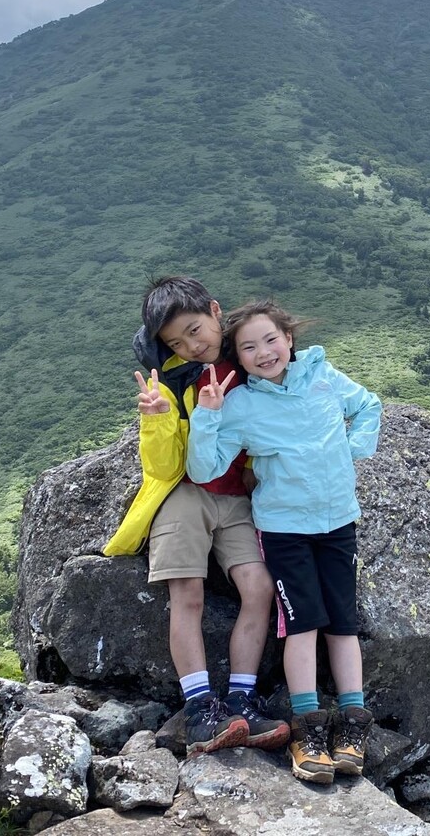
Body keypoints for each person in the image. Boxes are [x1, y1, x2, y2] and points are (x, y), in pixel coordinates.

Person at [188, 299, 382, 784]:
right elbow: (204, 469)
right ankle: (307, 727)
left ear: (289, 339)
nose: (264, 352)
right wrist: (207, 416)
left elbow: (368, 406)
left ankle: (353, 725)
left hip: (338, 521)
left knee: (344, 623)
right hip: (284, 530)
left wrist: (351, 450)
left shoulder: (322, 376)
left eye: (271, 339)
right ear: (238, 357)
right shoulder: (240, 404)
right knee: (303, 623)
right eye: (248, 347)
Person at [102, 277, 288, 755]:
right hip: (185, 493)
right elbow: (162, 466)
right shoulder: (170, 379)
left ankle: (242, 700)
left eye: (194, 330)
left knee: (259, 588)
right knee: (187, 593)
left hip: (238, 498)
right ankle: (200, 708)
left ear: (215, 311)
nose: (190, 345)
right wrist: (156, 417)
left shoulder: (247, 355)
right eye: (176, 342)